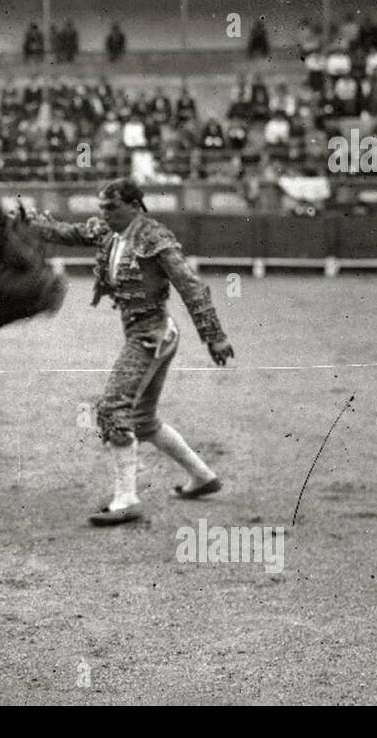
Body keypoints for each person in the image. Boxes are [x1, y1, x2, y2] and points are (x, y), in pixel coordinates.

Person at [29, 179, 234, 526]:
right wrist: (30, 222)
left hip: (151, 335)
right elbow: (69, 232)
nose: (104, 214)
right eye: (102, 207)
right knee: (143, 420)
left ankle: (126, 499)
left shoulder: (155, 238)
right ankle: (202, 477)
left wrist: (214, 336)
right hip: (147, 333)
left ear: (134, 205)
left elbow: (191, 287)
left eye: (111, 207)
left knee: (112, 408)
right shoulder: (109, 232)